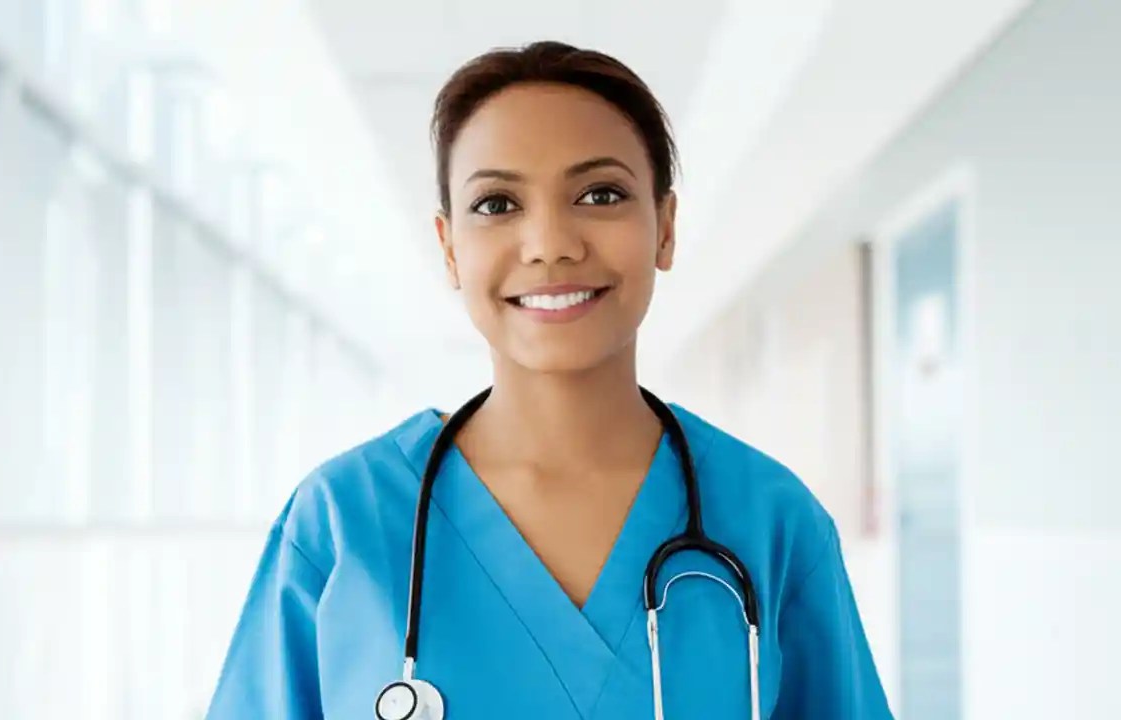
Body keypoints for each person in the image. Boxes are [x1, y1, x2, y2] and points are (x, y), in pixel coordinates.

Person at [206, 40, 892, 719]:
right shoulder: (343, 522)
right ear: (449, 247)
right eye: (497, 204)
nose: (551, 243)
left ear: (666, 228)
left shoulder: (772, 521)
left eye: (600, 193)